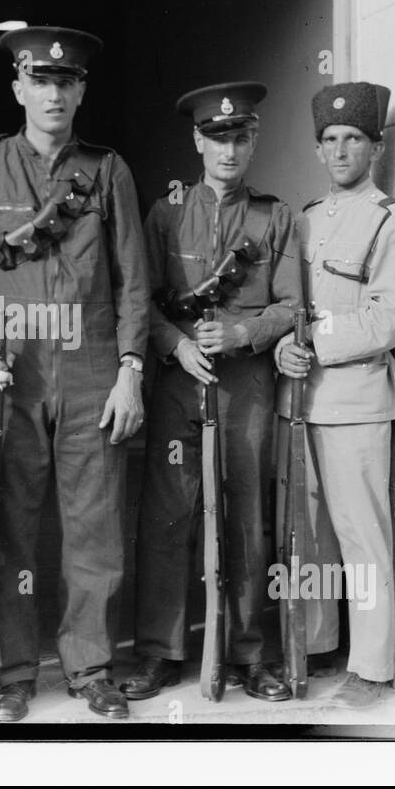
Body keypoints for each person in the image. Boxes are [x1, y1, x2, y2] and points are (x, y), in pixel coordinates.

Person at [0, 26, 150, 721]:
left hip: (92, 362)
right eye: (40, 79)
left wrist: (130, 371)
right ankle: (13, 673)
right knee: (8, 524)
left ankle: (91, 666)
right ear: (18, 87)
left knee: (94, 526)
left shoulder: (109, 170)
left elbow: (131, 281)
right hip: (13, 365)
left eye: (67, 82)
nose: (54, 92)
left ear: (82, 90)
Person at [123, 81, 303, 703]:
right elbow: (136, 300)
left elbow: (291, 305)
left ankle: (253, 655)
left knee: (249, 518)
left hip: (246, 387)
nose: (229, 148)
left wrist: (242, 333)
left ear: (254, 141)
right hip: (180, 384)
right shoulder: (166, 213)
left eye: (241, 136)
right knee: (170, 515)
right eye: (217, 137)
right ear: (197, 140)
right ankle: (160, 652)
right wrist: (175, 344)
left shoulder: (273, 216)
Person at [274, 81, 395, 709]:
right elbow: (285, 307)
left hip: (357, 400)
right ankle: (313, 650)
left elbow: (387, 320)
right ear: (318, 149)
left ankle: (371, 667)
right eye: (330, 140)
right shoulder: (303, 219)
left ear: (375, 146)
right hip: (299, 397)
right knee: (307, 536)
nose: (340, 151)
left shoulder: (392, 221)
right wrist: (284, 344)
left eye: (353, 139)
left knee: (361, 535)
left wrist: (313, 342)